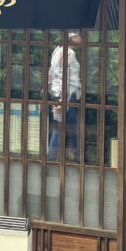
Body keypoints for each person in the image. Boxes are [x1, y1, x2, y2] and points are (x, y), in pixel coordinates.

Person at [47, 32, 82, 162]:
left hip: (60, 94)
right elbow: (64, 76)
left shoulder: (58, 51)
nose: (81, 38)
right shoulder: (69, 53)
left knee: (61, 126)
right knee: (72, 128)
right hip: (67, 95)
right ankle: (78, 158)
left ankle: (53, 157)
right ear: (72, 37)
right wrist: (63, 98)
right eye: (78, 36)